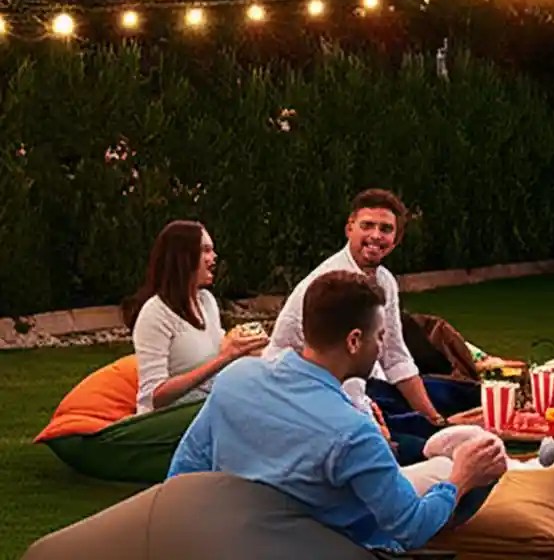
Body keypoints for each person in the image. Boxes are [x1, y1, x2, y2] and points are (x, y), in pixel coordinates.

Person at [168, 270, 508, 553]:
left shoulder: (237, 378)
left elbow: (183, 472)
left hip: (246, 537)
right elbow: (410, 526)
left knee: (434, 463)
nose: (381, 348)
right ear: (354, 341)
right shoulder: (351, 431)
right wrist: (462, 479)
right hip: (337, 544)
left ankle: (438, 457)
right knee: (480, 460)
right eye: (381, 337)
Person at [263, 189, 447, 462]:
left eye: (385, 229)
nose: (375, 235)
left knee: (450, 399)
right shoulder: (333, 284)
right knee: (424, 447)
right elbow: (340, 371)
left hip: (362, 385)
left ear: (396, 240)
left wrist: (435, 418)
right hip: (308, 393)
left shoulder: (384, 280)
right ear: (349, 229)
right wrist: (381, 431)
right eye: (367, 225)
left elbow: (395, 355)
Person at [126, 220, 267, 414]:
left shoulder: (206, 301)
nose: (214, 257)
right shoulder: (155, 314)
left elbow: (221, 350)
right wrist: (226, 357)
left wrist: (248, 349)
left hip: (206, 406)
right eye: (206, 250)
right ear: (183, 258)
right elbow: (155, 397)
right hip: (167, 417)